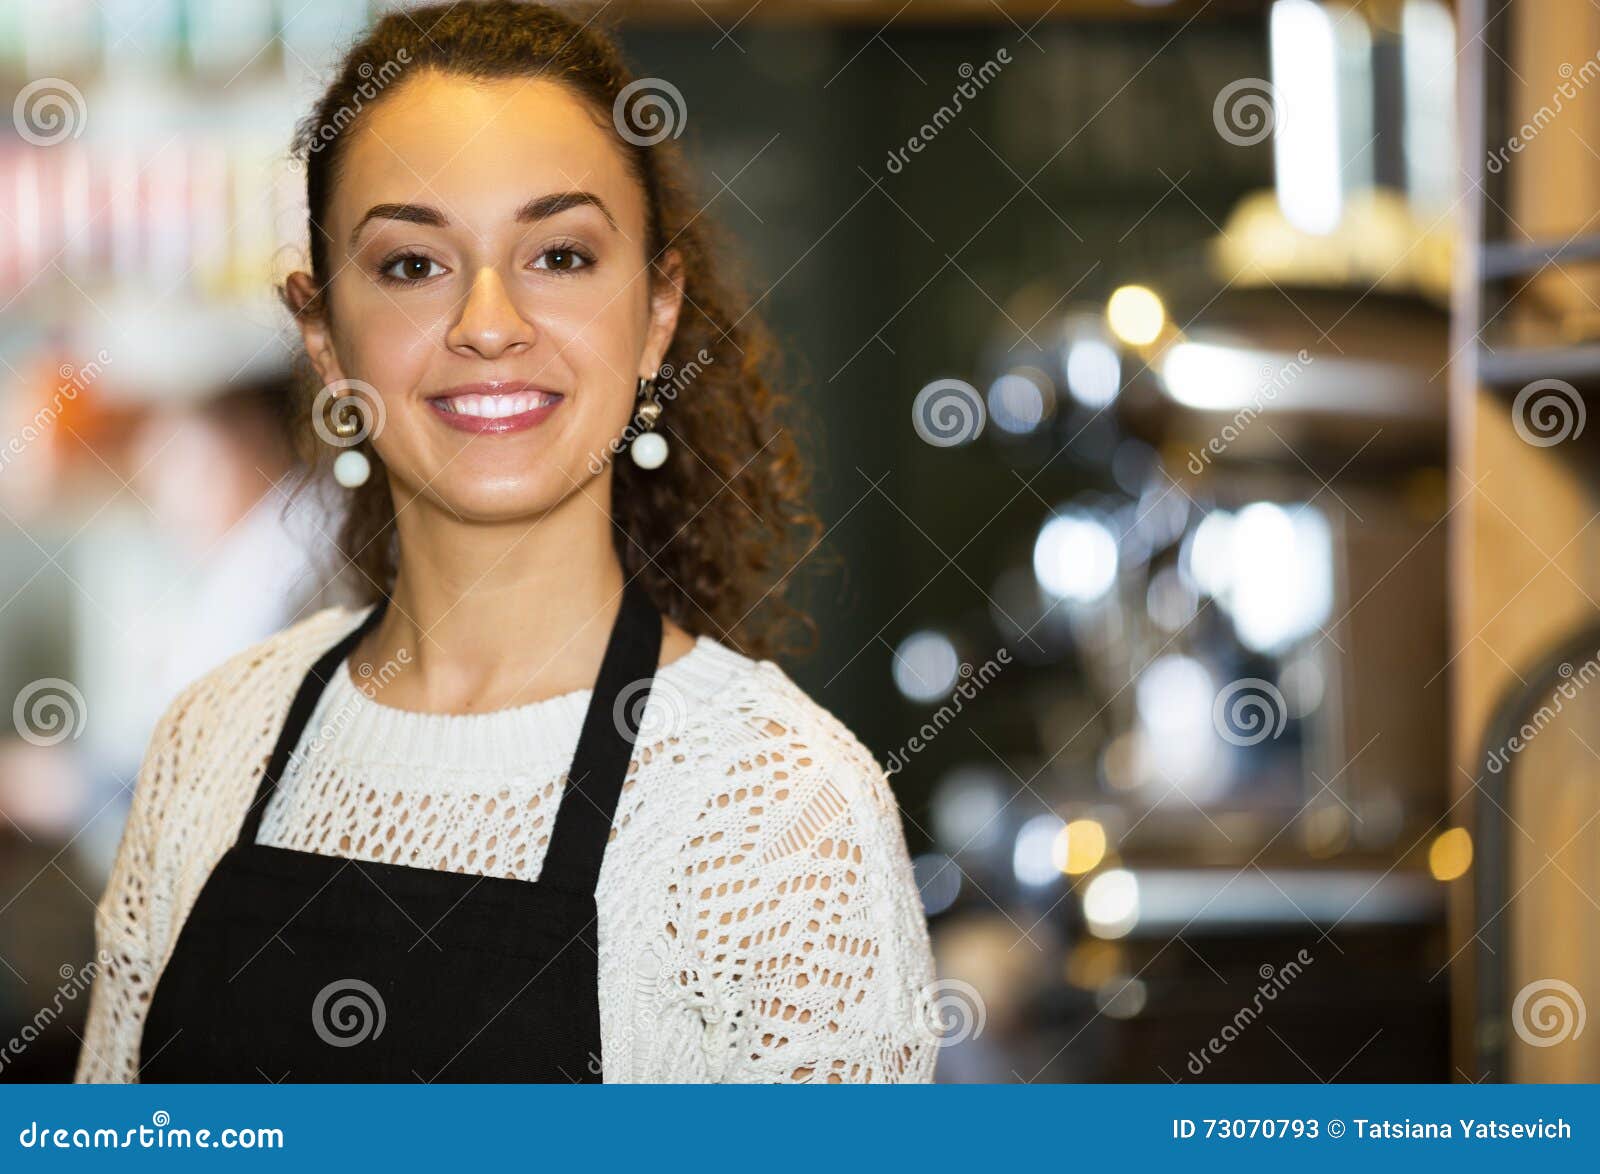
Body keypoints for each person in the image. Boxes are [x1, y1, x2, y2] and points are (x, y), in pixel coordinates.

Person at [73, 0, 938, 1084]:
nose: (489, 322)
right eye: (410, 265)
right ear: (323, 334)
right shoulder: (210, 741)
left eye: (561, 254)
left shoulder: (777, 811)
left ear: (656, 314)